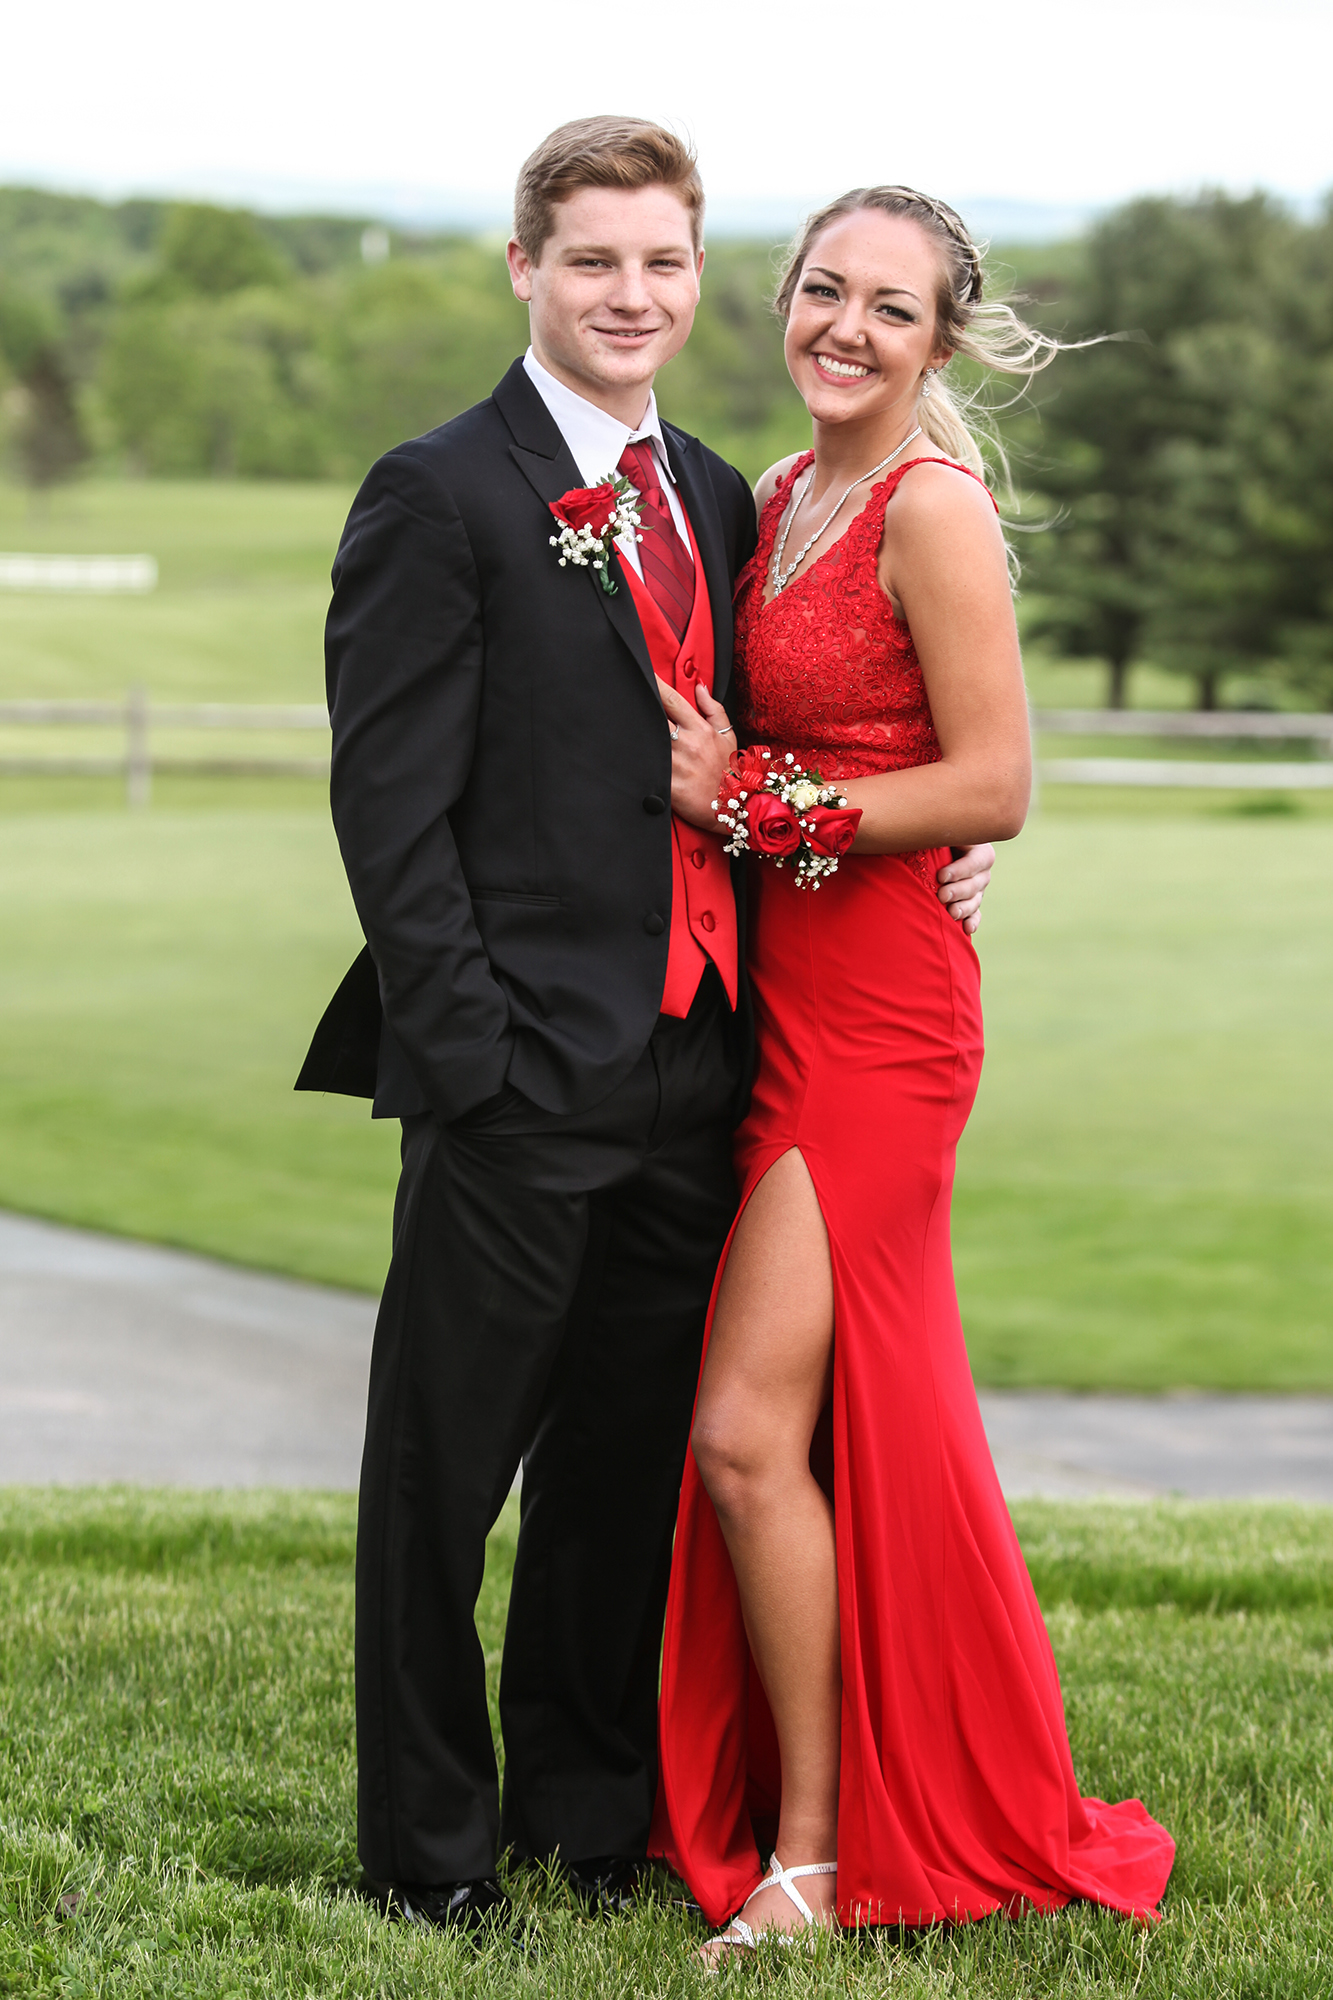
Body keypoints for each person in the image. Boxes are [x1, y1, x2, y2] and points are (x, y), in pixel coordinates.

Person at [296, 126, 995, 1936]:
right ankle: (430, 1854)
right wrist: (472, 1054)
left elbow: (846, 746)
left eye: (662, 263)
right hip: (519, 1074)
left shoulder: (717, 487)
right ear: (524, 267)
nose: (630, 295)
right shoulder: (436, 492)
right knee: (442, 1482)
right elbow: (390, 815)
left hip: (715, 1069)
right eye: (593, 260)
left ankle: (588, 1810)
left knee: (623, 1473)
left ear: (697, 279)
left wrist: (924, 861)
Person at [650, 187, 1176, 1955]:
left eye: (890, 307)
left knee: (740, 1435)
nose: (846, 329)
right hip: (775, 996)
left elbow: (989, 785)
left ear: (940, 338)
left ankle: (812, 1854)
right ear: (783, 301)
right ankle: (848, 1793)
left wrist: (766, 805)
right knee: (835, 1428)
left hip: (878, 1028)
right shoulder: (778, 496)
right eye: (822, 291)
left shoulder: (927, 510)